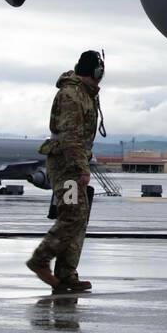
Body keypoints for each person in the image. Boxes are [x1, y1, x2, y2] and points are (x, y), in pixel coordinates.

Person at [26, 50, 105, 293]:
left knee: (78, 217)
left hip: (74, 161)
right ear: (95, 72)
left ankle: (66, 273)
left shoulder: (86, 94)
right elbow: (71, 136)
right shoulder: (72, 94)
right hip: (66, 164)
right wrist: (81, 168)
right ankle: (41, 259)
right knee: (72, 214)